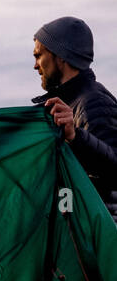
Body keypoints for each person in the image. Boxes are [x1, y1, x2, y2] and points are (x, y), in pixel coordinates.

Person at [35, 16, 117, 223]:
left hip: (99, 237)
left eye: (39, 56)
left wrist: (75, 136)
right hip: (84, 232)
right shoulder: (66, 105)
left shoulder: (94, 102)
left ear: (61, 56)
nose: (36, 65)